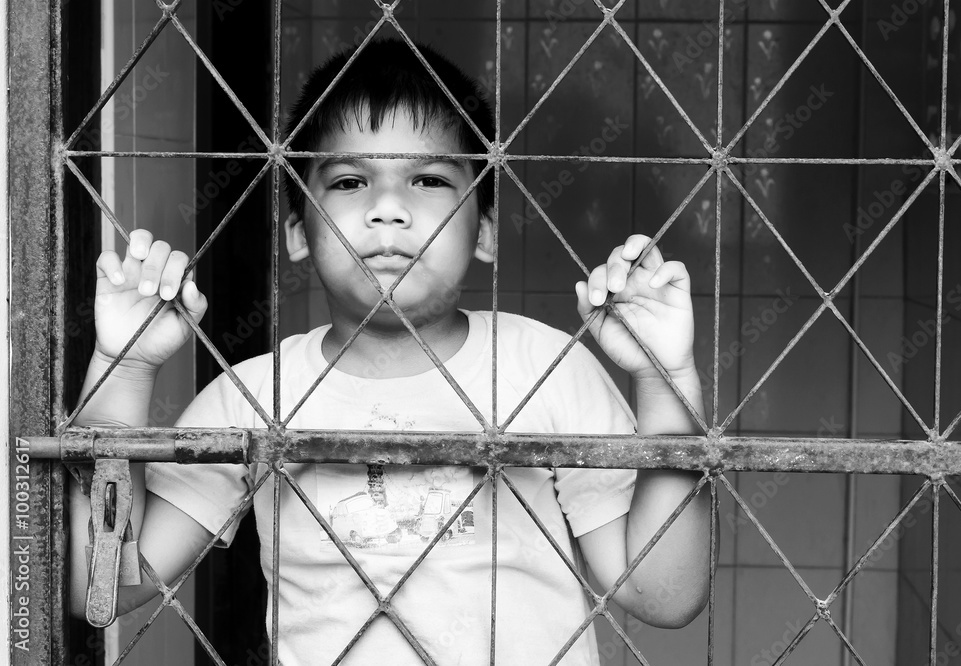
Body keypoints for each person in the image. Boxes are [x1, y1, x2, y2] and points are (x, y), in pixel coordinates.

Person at [68, 39, 711, 666]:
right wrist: (124, 368)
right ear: (298, 231)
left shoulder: (547, 369)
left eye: (428, 178)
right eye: (350, 181)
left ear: (485, 229)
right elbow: (100, 590)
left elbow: (665, 594)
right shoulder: (251, 398)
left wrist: (664, 377)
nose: (388, 209)